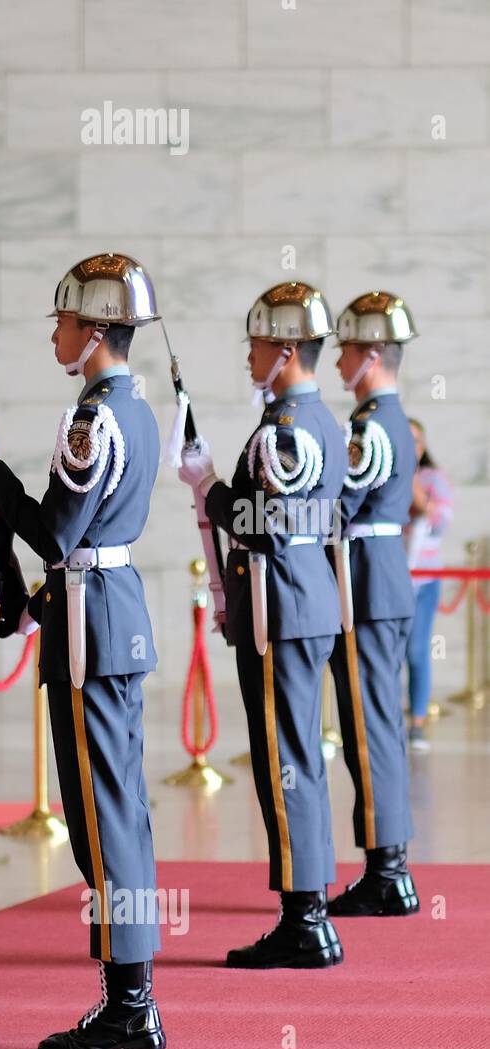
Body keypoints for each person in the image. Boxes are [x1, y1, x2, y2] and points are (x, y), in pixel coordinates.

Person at [0, 252, 165, 1049]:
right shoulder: (140, 410)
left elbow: (55, 533)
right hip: (97, 611)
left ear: (93, 332)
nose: (55, 332)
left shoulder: (92, 419)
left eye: (62, 321)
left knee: (101, 815)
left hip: (91, 624)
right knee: (111, 807)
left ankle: (130, 1005)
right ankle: (131, 995)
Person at [177, 283, 346, 968]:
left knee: (285, 763)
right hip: (298, 601)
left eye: (255, 345)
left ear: (284, 349)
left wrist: (210, 484)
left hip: (281, 605)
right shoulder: (320, 421)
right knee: (295, 756)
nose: (248, 356)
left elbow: (262, 525)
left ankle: (304, 919)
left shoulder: (286, 430)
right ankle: (309, 908)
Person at [325, 293, 420, 917]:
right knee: (376, 722)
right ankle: (390, 865)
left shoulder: (369, 427)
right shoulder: (393, 420)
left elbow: (340, 508)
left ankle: (387, 871)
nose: (339, 363)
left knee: (368, 727)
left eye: (349, 351)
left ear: (375, 354)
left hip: (365, 581)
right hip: (380, 577)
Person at [405, 418, 454, 752]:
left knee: (417, 649)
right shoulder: (381, 473)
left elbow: (438, 522)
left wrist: (414, 488)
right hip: (391, 577)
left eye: (415, 441)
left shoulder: (433, 479)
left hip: (424, 579)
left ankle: (417, 722)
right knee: (387, 655)